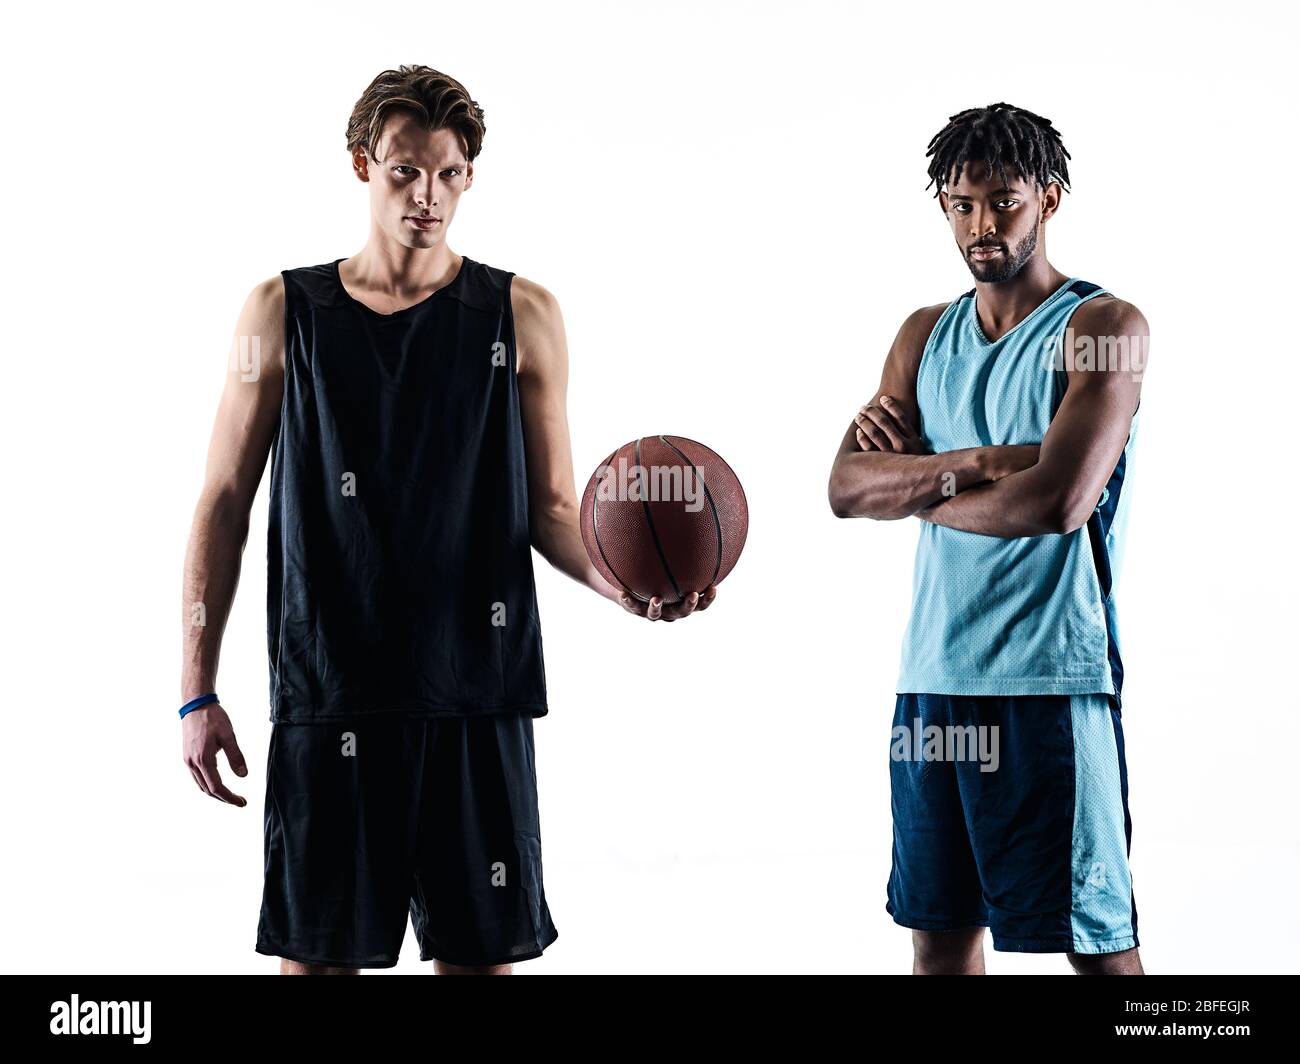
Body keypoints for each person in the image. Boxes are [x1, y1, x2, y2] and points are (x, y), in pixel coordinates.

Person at [179, 64, 714, 975]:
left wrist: (620, 580)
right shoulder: (281, 311)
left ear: (469, 174)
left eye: (449, 174)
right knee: (314, 966)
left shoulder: (523, 312)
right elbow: (223, 502)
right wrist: (197, 691)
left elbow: (553, 504)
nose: (427, 196)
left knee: (482, 964)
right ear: (362, 166)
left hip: (475, 692)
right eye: (404, 172)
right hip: (330, 690)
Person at [828, 102, 1148, 975]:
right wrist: (981, 462)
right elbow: (846, 488)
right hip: (931, 681)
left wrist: (918, 485)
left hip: (1049, 683)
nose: (980, 225)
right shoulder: (923, 334)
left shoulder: (1105, 329)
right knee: (940, 940)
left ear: (1049, 198)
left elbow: (1056, 502)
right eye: (960, 205)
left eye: (1002, 202)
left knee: (1097, 946)